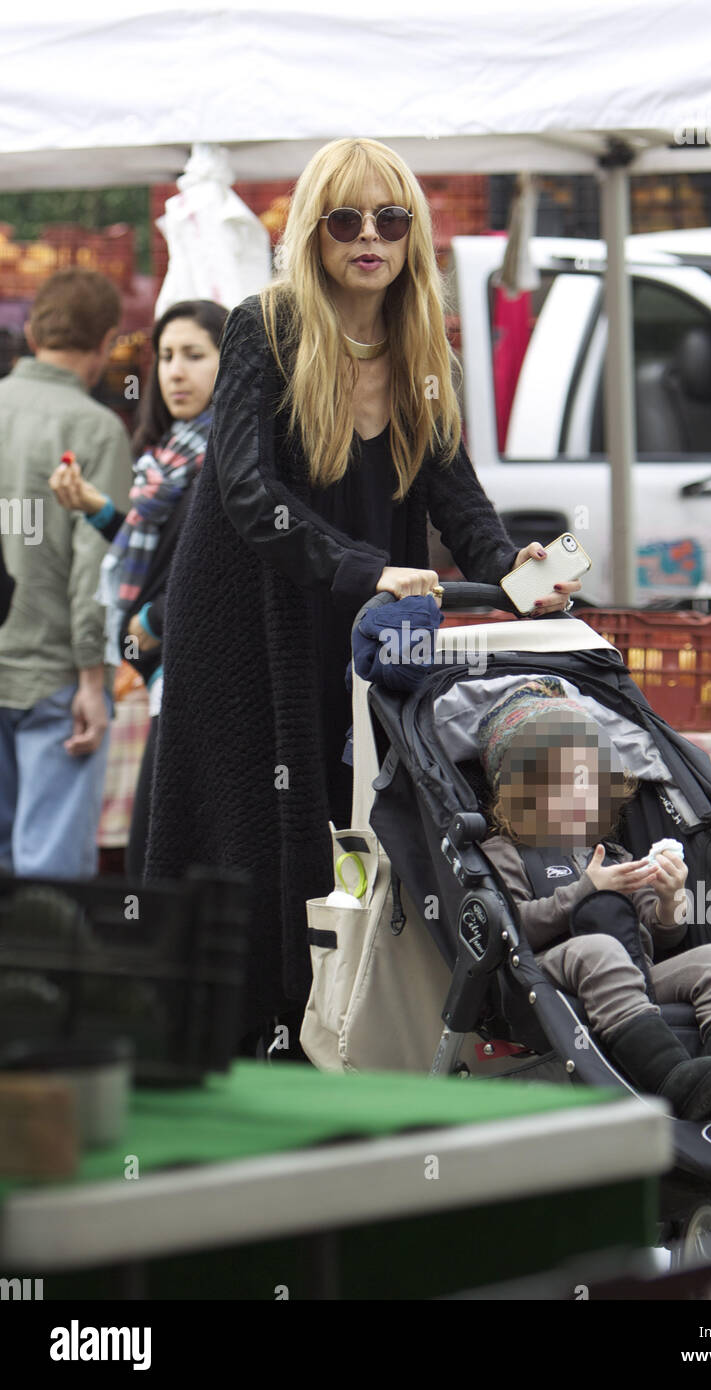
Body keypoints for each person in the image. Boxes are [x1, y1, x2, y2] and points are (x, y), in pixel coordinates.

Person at [143, 137, 582, 1057]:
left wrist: (517, 571)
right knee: (252, 823)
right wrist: (366, 567)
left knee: (351, 815)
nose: (369, 236)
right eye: (346, 219)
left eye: (391, 218)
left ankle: (335, 1024)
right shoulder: (264, 326)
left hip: (355, 610)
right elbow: (245, 490)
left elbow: (455, 496)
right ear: (315, 232)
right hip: (246, 612)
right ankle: (240, 1037)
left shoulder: (424, 344)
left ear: (413, 234)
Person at [479, 678, 711, 1120]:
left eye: (589, 784)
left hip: (636, 972)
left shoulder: (614, 853)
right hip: (548, 978)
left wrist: (669, 901)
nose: (579, 795)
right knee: (599, 948)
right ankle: (673, 1078)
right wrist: (585, 890)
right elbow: (513, 926)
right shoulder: (506, 854)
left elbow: (660, 934)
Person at [49, 300, 227, 876]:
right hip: (164, 677)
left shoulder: (228, 459)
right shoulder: (168, 459)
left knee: (156, 849)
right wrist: (98, 509)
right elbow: (161, 549)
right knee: (158, 845)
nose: (175, 371)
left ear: (234, 364)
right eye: (167, 356)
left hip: (203, 679)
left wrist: (150, 623)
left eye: (195, 356)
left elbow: (220, 567)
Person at [0, 269, 133, 878]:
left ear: (31, 330)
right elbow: (96, 568)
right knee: (47, 887)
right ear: (106, 343)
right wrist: (91, 678)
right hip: (55, 678)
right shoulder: (95, 429)